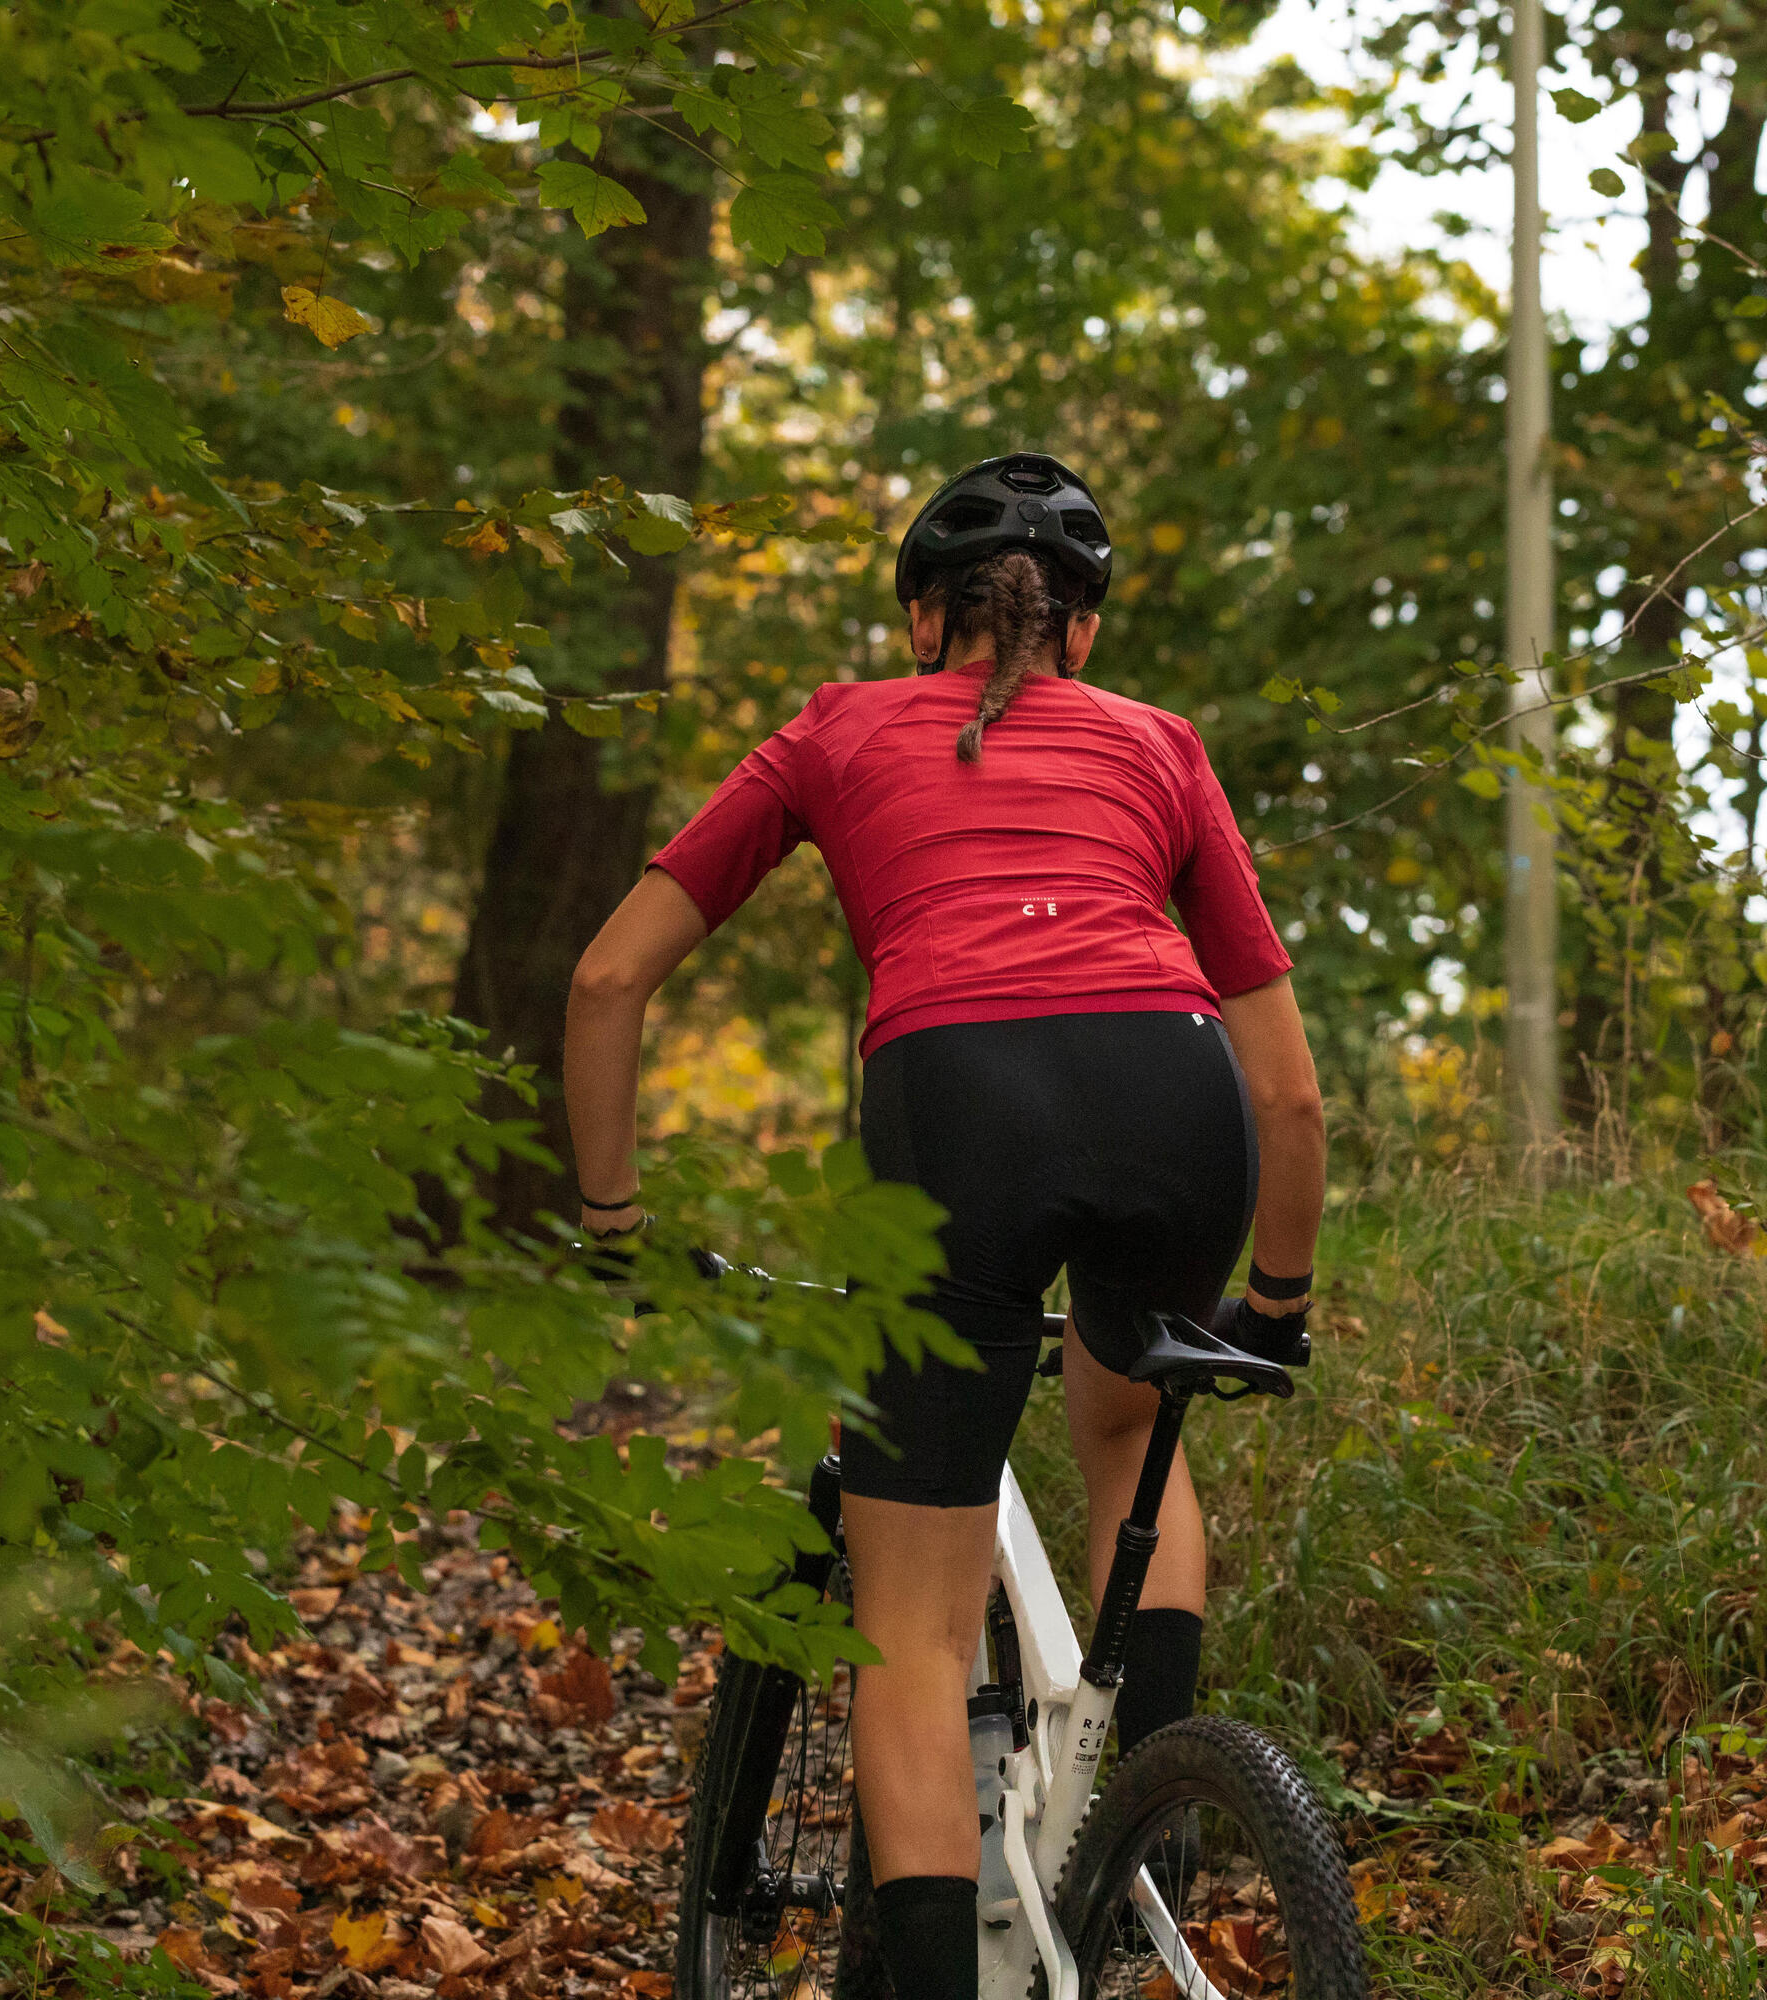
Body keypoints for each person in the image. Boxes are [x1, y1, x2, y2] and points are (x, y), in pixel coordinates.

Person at [562, 452, 1326, 1999]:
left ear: (923, 622)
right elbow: (1294, 1097)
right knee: (1130, 1432)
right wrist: (1281, 1302)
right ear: (1085, 635)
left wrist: (615, 1222)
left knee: (911, 1617)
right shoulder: (1160, 747)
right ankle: (1144, 1849)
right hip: (1178, 1096)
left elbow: (603, 982)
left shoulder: (836, 726)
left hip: (956, 1096)